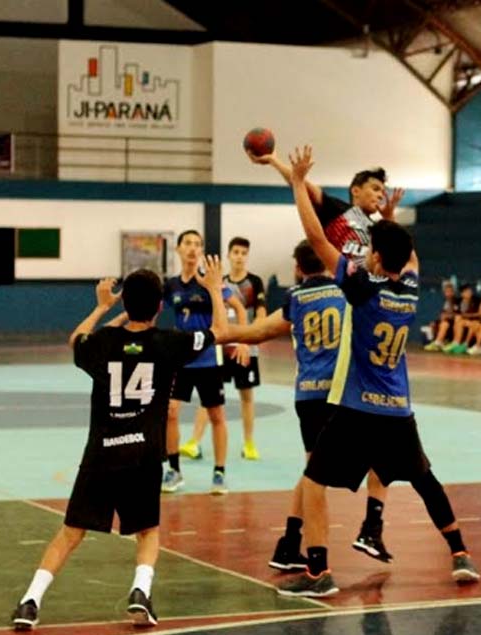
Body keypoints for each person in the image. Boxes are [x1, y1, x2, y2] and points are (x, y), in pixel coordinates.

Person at [279, 144, 479, 597]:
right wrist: (388, 218)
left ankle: (317, 573)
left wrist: (297, 184)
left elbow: (317, 240)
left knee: (313, 483)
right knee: (425, 479)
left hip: (356, 410)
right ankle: (461, 553)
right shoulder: (409, 287)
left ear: (373, 258)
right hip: (397, 410)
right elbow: (408, 257)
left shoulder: (361, 288)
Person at [11, 259, 227, 631]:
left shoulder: (105, 342)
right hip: (143, 453)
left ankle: (31, 600)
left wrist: (101, 308)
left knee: (70, 532)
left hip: (101, 453)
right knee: (147, 530)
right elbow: (220, 330)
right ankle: (140, 592)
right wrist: (213, 289)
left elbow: (76, 339)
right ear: (161, 306)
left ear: (125, 305)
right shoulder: (169, 343)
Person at [213, 240, 395, 569]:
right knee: (380, 458)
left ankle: (289, 543)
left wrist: (219, 331)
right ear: (328, 263)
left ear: (298, 269)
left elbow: (256, 332)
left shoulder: (295, 299)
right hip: (342, 395)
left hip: (307, 396)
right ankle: (365, 530)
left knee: (313, 473)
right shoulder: (348, 293)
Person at [161, 231, 246, 495]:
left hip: (208, 359)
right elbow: (153, 311)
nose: (193, 248)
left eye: (198, 244)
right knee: (170, 411)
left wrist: (243, 340)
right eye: (188, 243)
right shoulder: (171, 285)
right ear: (177, 249)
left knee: (216, 415)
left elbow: (240, 308)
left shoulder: (210, 282)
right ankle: (173, 470)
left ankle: (219, 473)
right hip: (180, 360)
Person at [183, 237, 266, 461]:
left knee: (246, 395)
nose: (239, 256)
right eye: (235, 252)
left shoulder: (254, 282)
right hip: (220, 349)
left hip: (244, 347)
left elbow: (260, 315)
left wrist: (247, 341)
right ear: (228, 255)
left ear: (247, 256)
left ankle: (249, 443)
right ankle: (194, 441)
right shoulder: (218, 282)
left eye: (243, 253)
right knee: (210, 397)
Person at [248, 150, 405, 266]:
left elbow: (398, 258)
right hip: (341, 290)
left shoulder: (378, 229)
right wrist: (274, 160)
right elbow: (301, 183)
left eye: (383, 193)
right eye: (375, 189)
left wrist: (389, 218)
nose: (380, 196)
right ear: (356, 190)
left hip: (368, 294)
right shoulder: (340, 210)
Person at [423, 282, 459, 352]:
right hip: (446, 321)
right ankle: (438, 342)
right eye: (446, 292)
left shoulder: (456, 301)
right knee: (433, 323)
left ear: (453, 292)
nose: (448, 294)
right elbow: (443, 314)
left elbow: (457, 315)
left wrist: (447, 316)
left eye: (450, 292)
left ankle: (438, 343)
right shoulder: (445, 302)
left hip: (453, 324)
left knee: (444, 324)